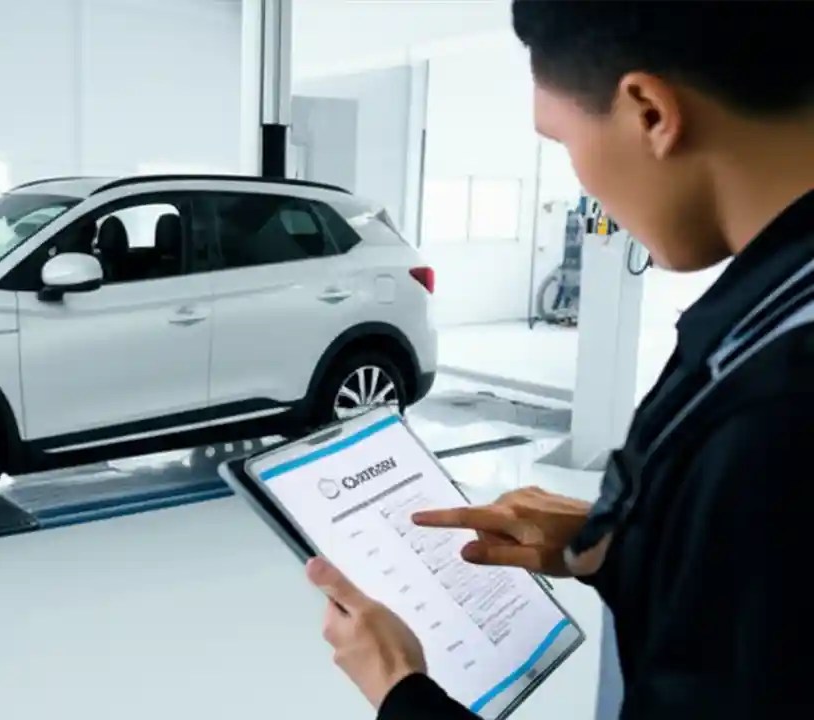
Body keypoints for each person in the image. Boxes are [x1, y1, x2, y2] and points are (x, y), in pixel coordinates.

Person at [303, 1, 814, 717]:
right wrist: (628, 540)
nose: (581, 179)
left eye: (563, 139)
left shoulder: (766, 422)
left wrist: (402, 691)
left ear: (649, 112)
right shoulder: (771, 323)